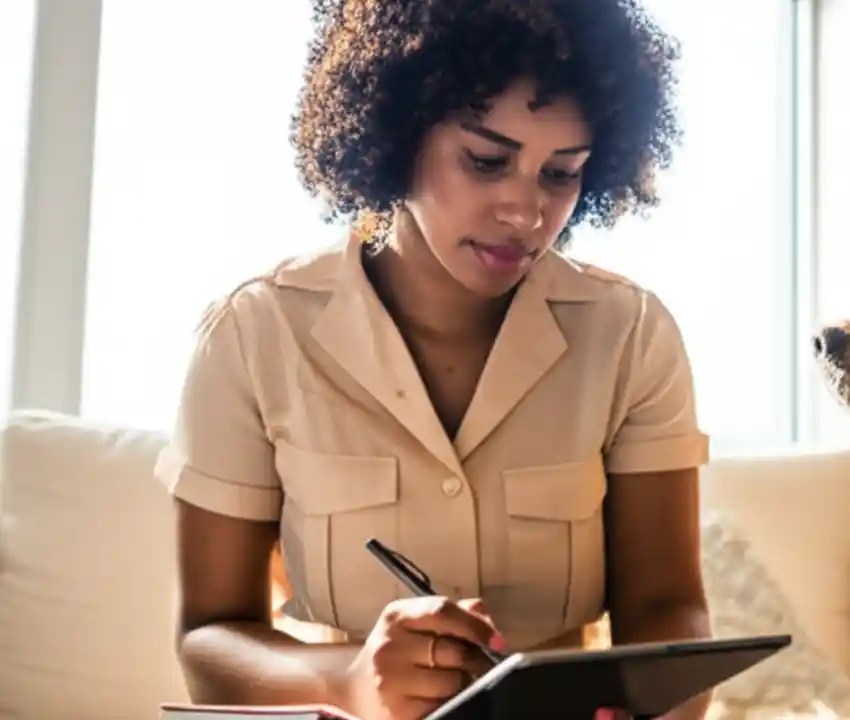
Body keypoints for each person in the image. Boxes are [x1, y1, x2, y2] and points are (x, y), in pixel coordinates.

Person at [157, 1, 712, 718]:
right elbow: (207, 639)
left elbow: (667, 606)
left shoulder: (631, 335)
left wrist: (658, 709)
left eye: (561, 173)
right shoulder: (254, 332)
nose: (526, 212)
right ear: (396, 130)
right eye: (486, 161)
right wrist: (346, 677)